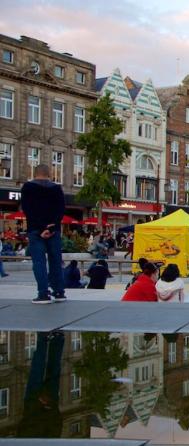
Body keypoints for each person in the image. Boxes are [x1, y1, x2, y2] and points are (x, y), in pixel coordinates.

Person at [21, 164, 66, 304]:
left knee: (39, 262)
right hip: (54, 231)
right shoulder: (57, 189)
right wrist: (51, 227)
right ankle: (59, 292)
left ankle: (43, 294)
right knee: (55, 261)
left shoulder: (28, 188)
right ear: (49, 173)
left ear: (34, 173)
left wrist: (41, 229)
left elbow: (28, 210)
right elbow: (61, 210)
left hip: (36, 231)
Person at [18, 331, 65, 439]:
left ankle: (54, 338)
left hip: (37, 401)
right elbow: (57, 423)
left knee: (44, 367)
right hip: (41, 402)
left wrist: (47, 405)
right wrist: (48, 405)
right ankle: (48, 338)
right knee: (44, 368)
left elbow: (24, 424)